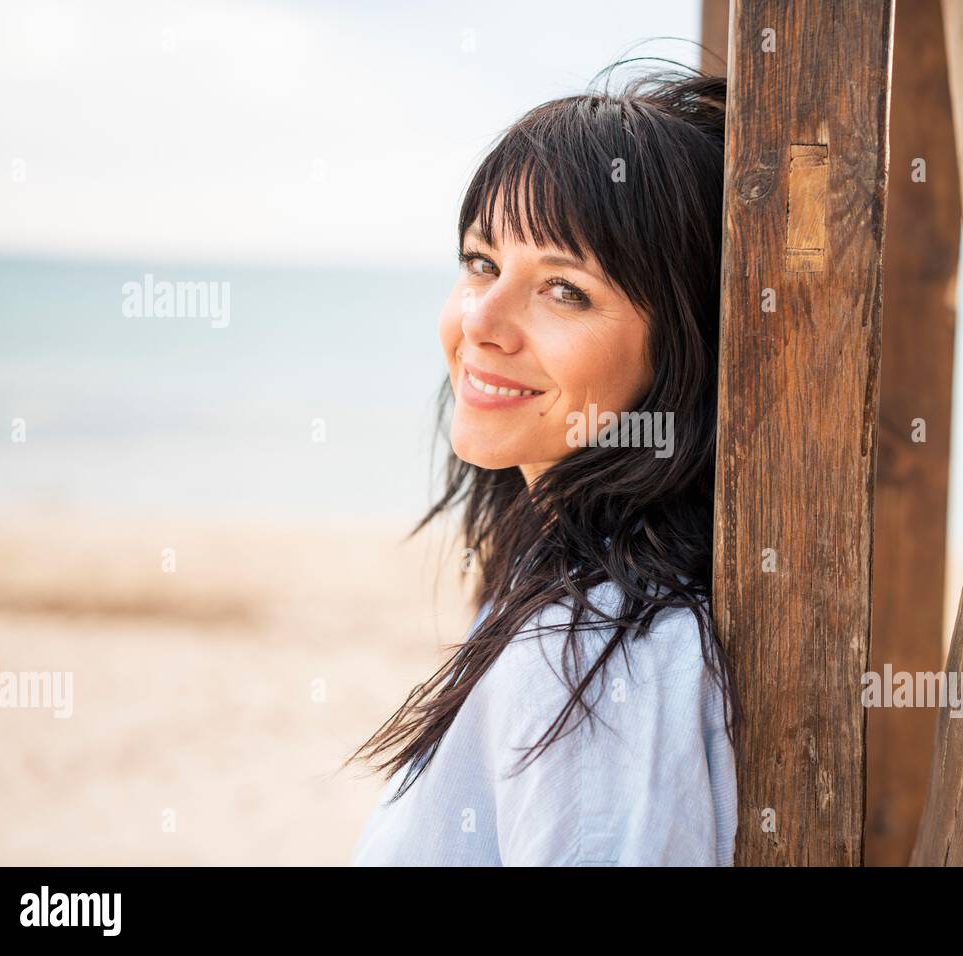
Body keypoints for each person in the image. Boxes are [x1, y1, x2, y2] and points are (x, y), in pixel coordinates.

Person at [346, 62, 740, 866]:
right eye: (482, 263)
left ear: (681, 356)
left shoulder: (592, 659)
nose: (481, 321)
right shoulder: (556, 593)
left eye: (565, 291)